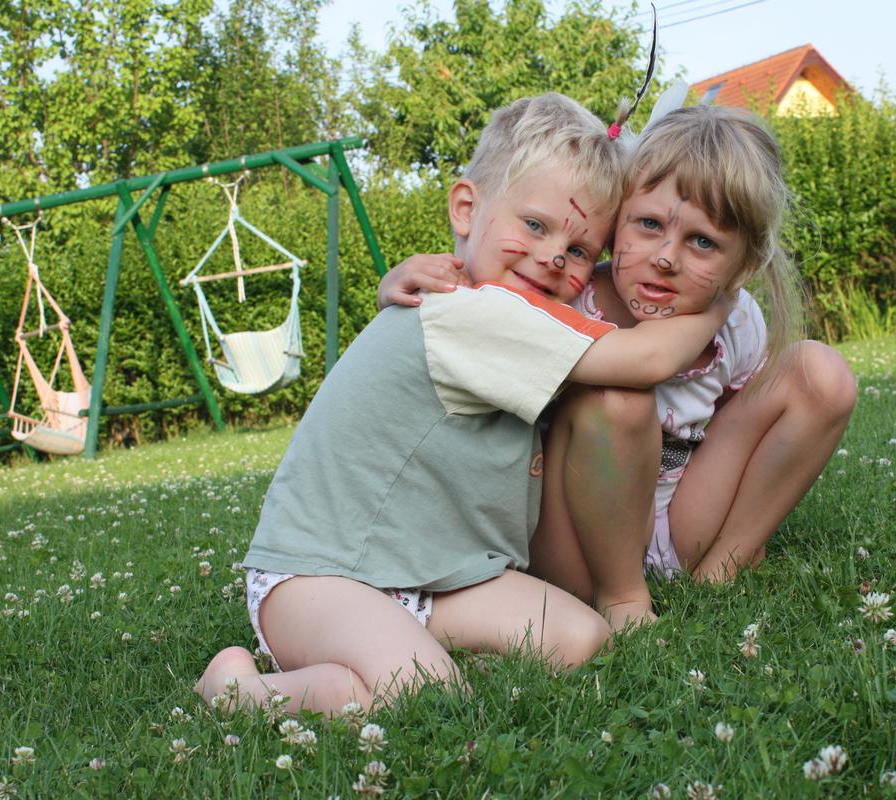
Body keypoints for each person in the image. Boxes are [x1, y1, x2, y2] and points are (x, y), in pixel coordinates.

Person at [195, 93, 735, 716]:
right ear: (465, 207)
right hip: (320, 577)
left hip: (429, 579)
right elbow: (646, 361)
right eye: (535, 225)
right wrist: (718, 295)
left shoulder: (494, 307)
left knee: (580, 640)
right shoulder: (477, 315)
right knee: (423, 697)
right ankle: (235, 689)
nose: (555, 255)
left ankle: (395, 652)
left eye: (582, 250)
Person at [380, 104, 858, 628]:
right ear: (614, 225)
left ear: (742, 265)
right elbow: (481, 295)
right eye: (648, 225)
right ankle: (622, 597)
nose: (666, 257)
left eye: (703, 242)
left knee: (820, 373)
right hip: (576, 539)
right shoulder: (567, 292)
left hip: (680, 518)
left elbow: (736, 422)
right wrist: (400, 282)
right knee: (616, 396)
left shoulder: (739, 321)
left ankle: (724, 565)